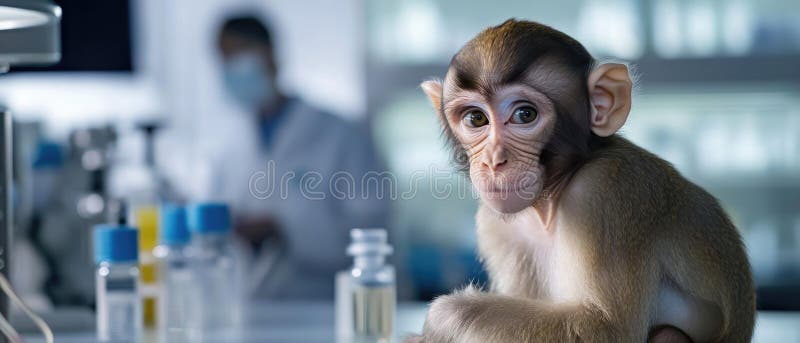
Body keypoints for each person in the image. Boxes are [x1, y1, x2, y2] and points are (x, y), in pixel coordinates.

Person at [208, 15, 389, 299]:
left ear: (270, 55)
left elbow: (373, 230)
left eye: (239, 53)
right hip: (256, 307)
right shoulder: (231, 145)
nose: (231, 68)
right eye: (224, 59)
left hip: (328, 305)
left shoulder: (341, 134)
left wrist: (282, 230)